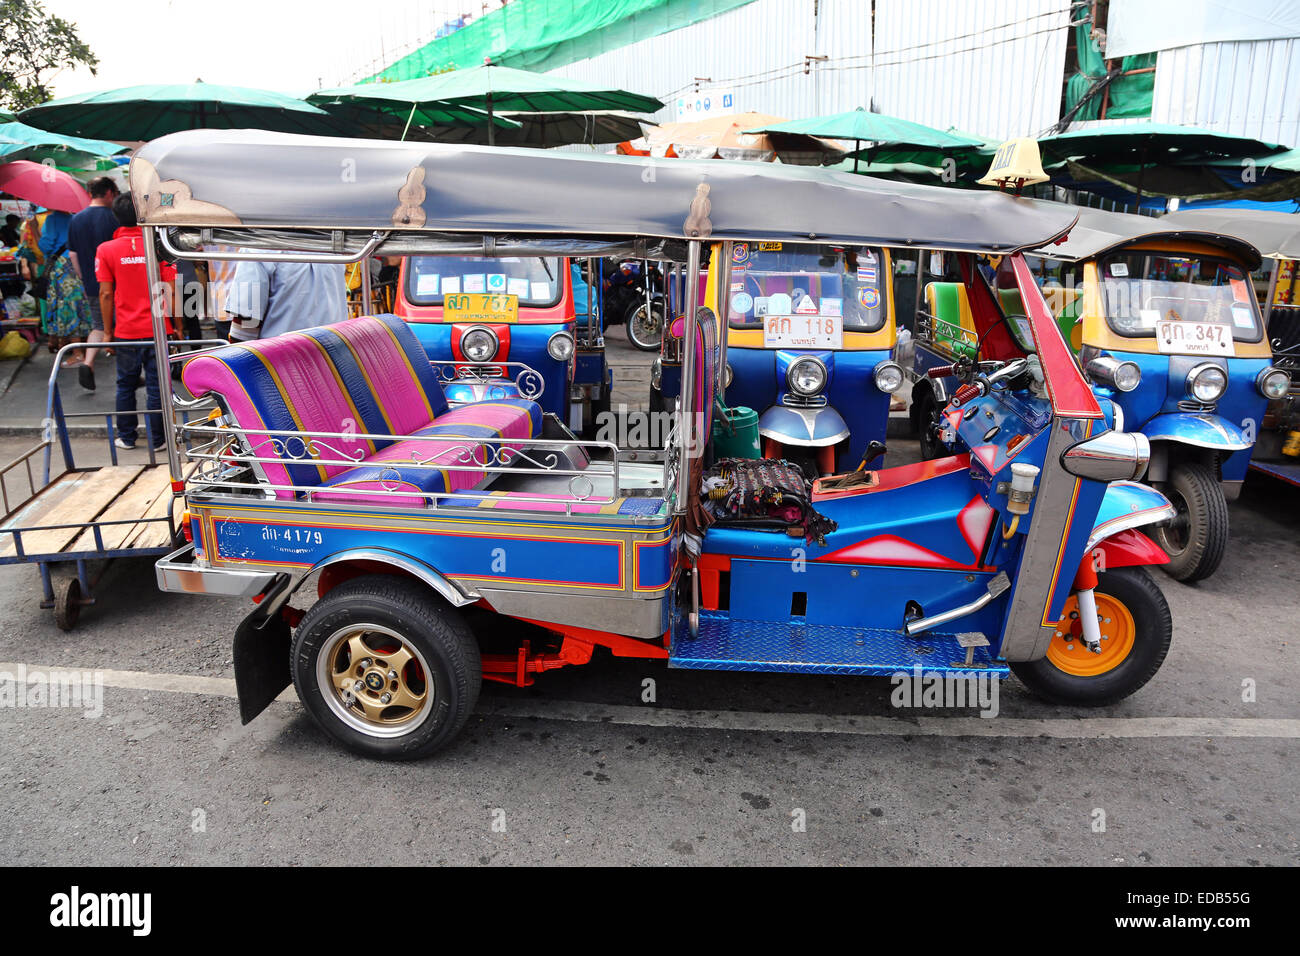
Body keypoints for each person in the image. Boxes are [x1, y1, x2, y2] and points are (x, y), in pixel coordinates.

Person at [95, 192, 176, 450]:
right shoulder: (158, 247)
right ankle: (158, 440)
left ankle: (127, 438)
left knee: (125, 385)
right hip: (157, 329)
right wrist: (176, 328)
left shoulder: (106, 249)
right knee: (157, 386)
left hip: (126, 332)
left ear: (115, 216)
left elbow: (106, 293)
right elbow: (171, 289)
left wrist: (107, 333)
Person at [66, 177, 121, 390]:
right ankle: (130, 373)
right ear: (108, 192)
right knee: (122, 328)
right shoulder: (115, 218)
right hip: (117, 283)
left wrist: (84, 276)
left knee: (99, 324)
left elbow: (72, 254)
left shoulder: (76, 219)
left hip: (91, 282)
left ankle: (88, 363)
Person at [224, 256, 347, 340]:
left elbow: (245, 324)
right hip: (330, 358)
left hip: (278, 365)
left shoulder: (260, 248)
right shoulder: (332, 245)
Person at [38, 208, 92, 366]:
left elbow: (46, 246)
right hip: (77, 264)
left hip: (62, 267)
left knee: (66, 306)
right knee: (80, 304)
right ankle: (81, 345)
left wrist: (36, 231)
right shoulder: (77, 219)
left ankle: (77, 353)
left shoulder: (51, 220)